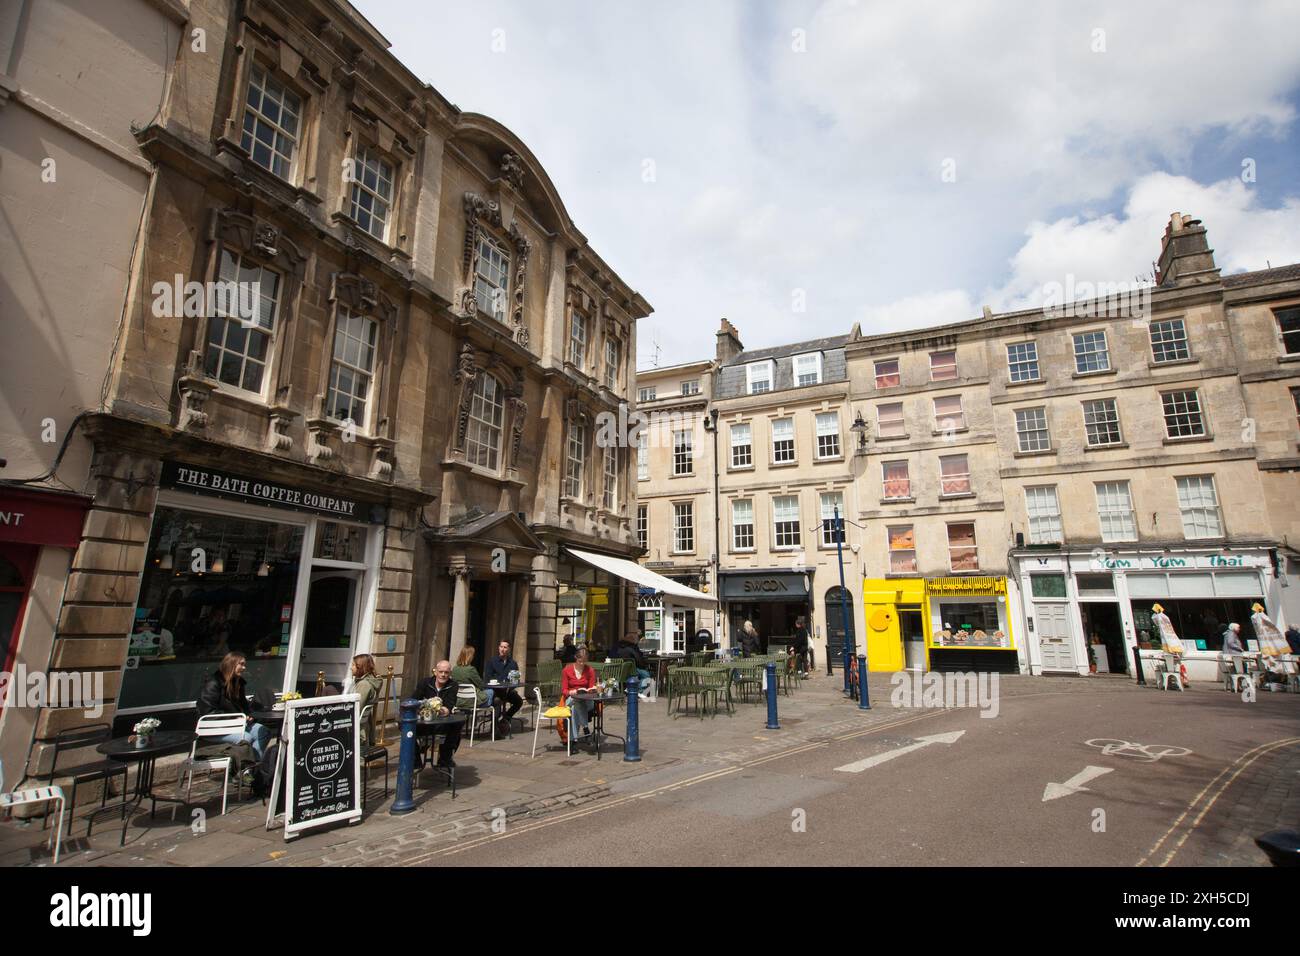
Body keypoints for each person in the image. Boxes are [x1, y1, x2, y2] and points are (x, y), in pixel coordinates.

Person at [196, 652, 271, 760]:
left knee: (264, 732)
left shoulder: (238, 683)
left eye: (244, 664)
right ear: (231, 664)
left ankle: (251, 765)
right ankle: (244, 766)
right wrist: (234, 718)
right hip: (214, 728)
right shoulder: (213, 683)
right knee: (246, 738)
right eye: (241, 664)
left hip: (235, 724)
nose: (244, 668)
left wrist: (248, 715)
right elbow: (207, 712)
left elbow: (244, 706)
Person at [415, 661, 462, 767]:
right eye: (441, 672)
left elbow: (448, 707)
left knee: (457, 725)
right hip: (424, 723)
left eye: (446, 672)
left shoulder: (453, 685)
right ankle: (415, 761)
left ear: (450, 673)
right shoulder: (425, 683)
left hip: (441, 724)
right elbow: (414, 699)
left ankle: (445, 758)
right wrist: (423, 706)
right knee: (407, 728)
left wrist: (436, 708)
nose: (443, 675)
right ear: (435, 672)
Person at [484, 640, 523, 734]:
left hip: (507, 691)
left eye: (505, 647)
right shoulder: (492, 661)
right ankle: (495, 728)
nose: (502, 649)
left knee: (518, 701)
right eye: (501, 647)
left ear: (509, 649)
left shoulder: (513, 663)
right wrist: (498, 682)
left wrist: (512, 685)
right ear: (498, 648)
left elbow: (515, 680)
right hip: (495, 691)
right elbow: (487, 678)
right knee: (497, 701)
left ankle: (506, 718)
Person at [561, 647, 599, 739]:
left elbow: (591, 688)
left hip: (587, 701)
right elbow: (564, 690)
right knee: (576, 701)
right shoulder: (566, 670)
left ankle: (572, 740)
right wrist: (571, 692)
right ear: (576, 658)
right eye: (580, 661)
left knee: (575, 707)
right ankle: (585, 728)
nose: (582, 664)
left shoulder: (590, 670)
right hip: (571, 698)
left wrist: (592, 690)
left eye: (584, 661)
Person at [351, 653, 385, 746]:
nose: (351, 668)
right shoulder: (363, 682)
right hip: (360, 724)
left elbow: (356, 708)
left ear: (360, 667)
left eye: (353, 665)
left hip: (356, 727)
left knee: (329, 689)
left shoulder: (364, 685)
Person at [451, 646, 494, 712]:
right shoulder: (471, 670)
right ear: (469, 657)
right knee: (490, 691)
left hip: (459, 699)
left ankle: (469, 713)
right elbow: (481, 685)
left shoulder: (454, 669)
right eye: (473, 655)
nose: (473, 657)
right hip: (471, 700)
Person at [615, 630, 655, 699]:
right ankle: (639, 690)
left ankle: (631, 689)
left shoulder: (619, 648)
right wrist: (643, 666)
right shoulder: (632, 649)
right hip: (632, 670)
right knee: (646, 675)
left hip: (621, 670)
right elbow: (638, 660)